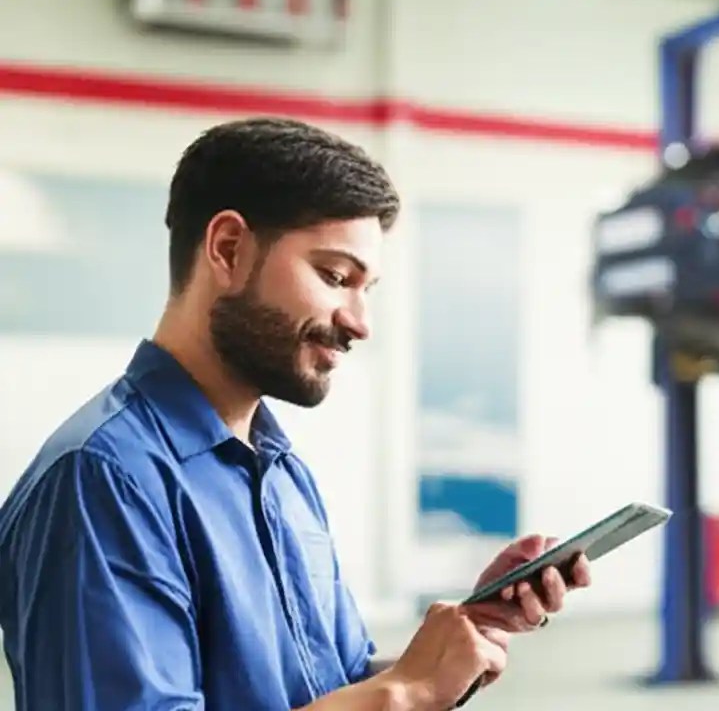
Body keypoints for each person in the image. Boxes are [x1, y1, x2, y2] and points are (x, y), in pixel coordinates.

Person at [0, 117, 590, 710]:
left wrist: (455, 646)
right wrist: (403, 692)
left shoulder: (280, 472)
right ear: (229, 249)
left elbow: (328, 686)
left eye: (368, 289)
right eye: (335, 277)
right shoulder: (104, 481)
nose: (360, 321)